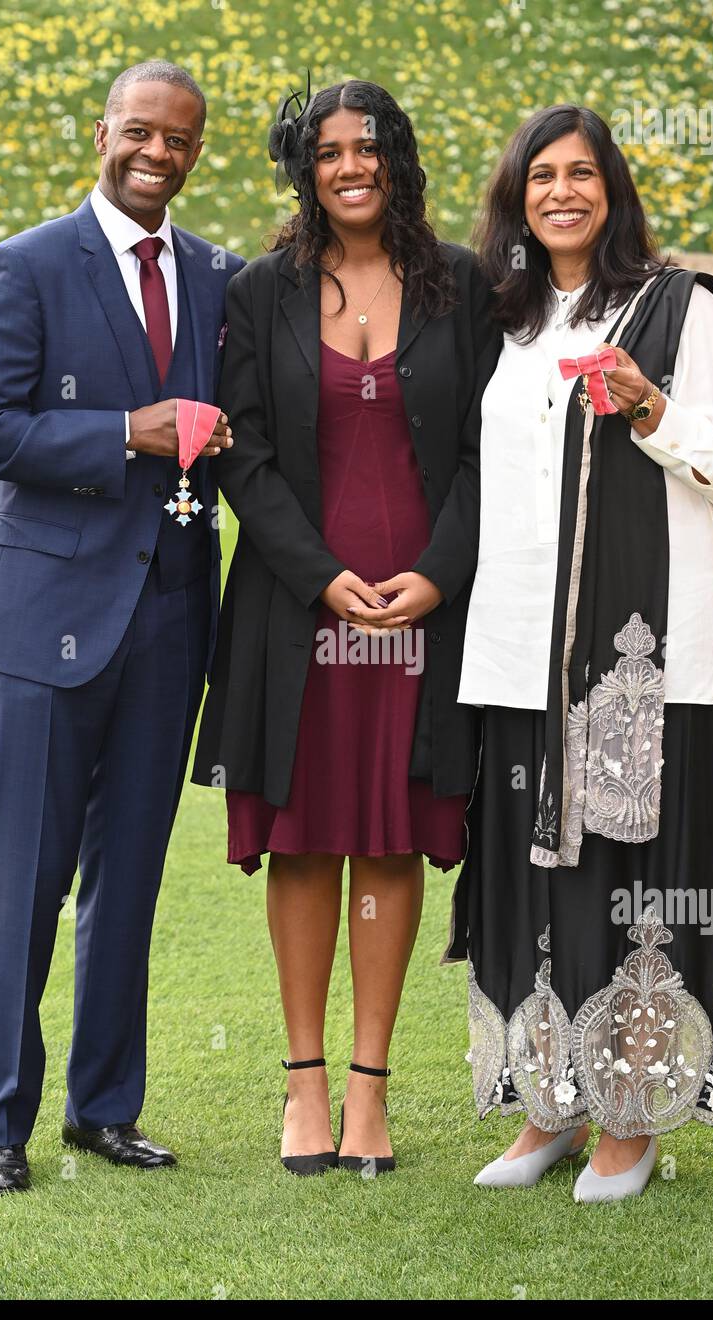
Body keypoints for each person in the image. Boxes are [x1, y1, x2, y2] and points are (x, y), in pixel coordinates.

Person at [447, 105, 713, 1202]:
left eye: (582, 173)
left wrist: (650, 406)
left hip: (644, 664)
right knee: (529, 890)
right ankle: (548, 1109)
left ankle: (629, 1122)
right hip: (516, 656)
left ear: (613, 190)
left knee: (635, 891)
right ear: (517, 197)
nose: (561, 192)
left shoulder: (680, 306)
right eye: (541, 175)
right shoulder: (511, 319)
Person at [191, 77, 501, 1176]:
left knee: (389, 831)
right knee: (304, 831)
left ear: (397, 157)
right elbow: (242, 451)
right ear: (303, 166)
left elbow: (483, 449)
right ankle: (303, 1082)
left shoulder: (461, 285)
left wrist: (435, 573)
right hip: (297, 611)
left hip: (423, 612)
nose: (349, 165)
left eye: (367, 147)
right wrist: (322, 577)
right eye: (326, 150)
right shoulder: (257, 290)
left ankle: (370, 1090)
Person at [0, 61, 244, 1193]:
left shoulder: (218, 277)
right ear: (103, 132)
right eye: (138, 132)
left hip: (170, 618)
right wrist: (129, 429)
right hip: (43, 624)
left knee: (130, 880)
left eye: (178, 138)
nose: (156, 152)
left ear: (197, 150)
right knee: (25, 877)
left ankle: (103, 1106)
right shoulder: (24, 265)